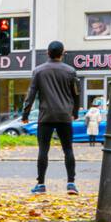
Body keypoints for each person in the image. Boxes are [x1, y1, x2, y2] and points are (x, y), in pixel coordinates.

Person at [21, 41, 81, 194]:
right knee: (68, 149)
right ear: (63, 53)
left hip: (46, 116)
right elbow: (76, 94)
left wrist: (25, 114)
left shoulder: (39, 71)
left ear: (48, 53)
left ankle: (41, 184)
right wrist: (74, 113)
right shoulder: (70, 71)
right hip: (64, 116)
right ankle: (71, 184)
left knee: (43, 150)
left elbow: (31, 94)